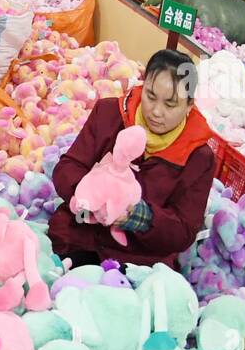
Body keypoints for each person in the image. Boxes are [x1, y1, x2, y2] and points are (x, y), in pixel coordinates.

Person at [49, 48, 216, 269]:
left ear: (189, 106)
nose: (156, 111)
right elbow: (68, 167)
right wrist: (91, 195)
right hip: (78, 236)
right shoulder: (109, 114)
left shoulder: (199, 159)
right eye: (150, 96)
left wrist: (141, 217)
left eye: (170, 104)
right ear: (142, 86)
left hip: (136, 261)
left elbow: (184, 230)